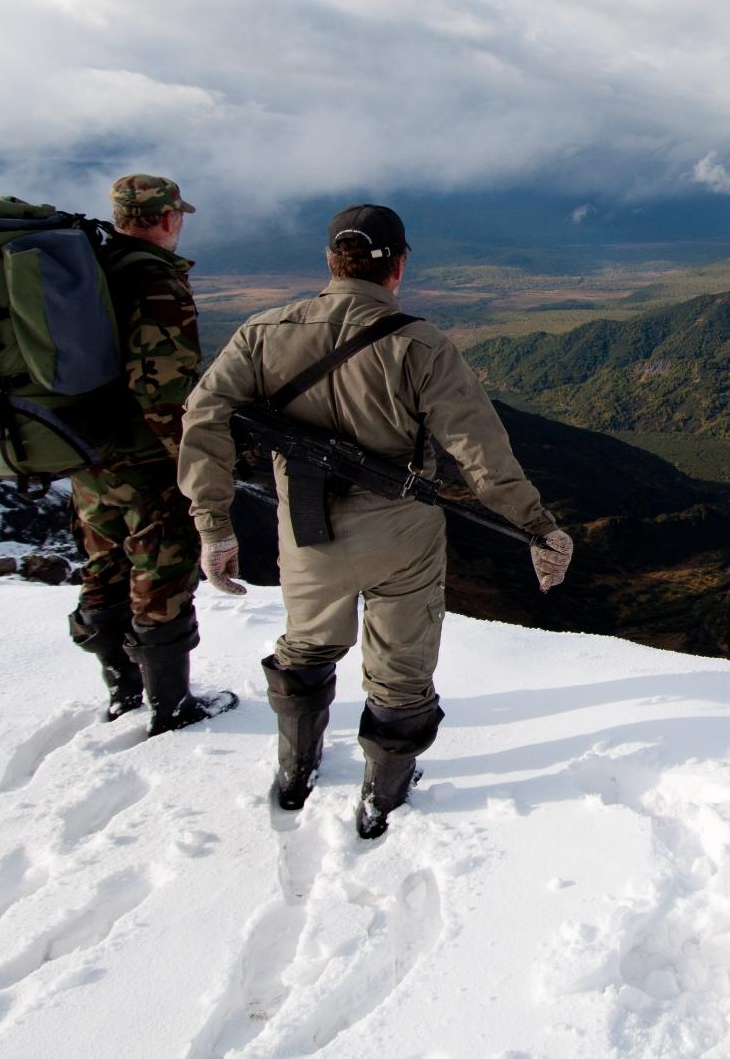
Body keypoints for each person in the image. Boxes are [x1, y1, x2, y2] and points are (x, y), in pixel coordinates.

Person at [178, 203, 572, 839]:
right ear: (400, 264)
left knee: (305, 647)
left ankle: (294, 771)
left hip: (305, 529)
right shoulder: (419, 344)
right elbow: (481, 454)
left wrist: (213, 525)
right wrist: (538, 525)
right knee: (400, 667)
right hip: (402, 533)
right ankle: (382, 795)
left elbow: (203, 421)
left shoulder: (261, 332)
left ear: (331, 261)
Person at [67, 174, 237, 735]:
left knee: (103, 566)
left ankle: (121, 688)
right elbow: (161, 390)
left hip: (87, 457)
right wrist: (191, 465)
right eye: (178, 216)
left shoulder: (87, 272)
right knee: (161, 576)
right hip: (144, 463)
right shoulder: (155, 282)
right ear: (167, 219)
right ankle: (171, 706)